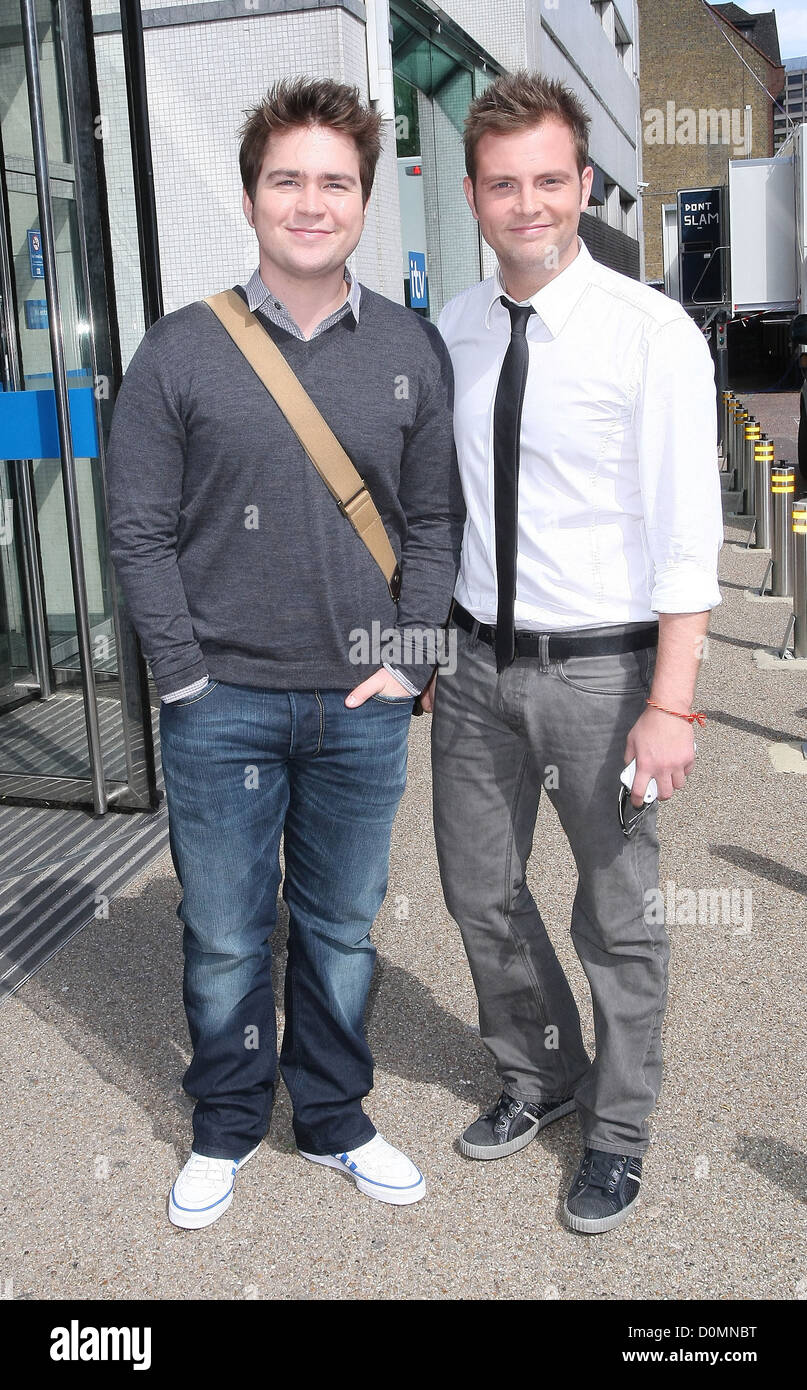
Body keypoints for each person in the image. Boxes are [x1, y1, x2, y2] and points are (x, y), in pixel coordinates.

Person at [106, 77, 463, 1228]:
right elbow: (140, 530)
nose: (311, 202)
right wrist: (187, 677)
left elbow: (438, 523)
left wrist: (410, 662)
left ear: (364, 201)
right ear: (254, 196)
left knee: (343, 924)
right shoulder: (180, 351)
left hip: (363, 701)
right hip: (223, 704)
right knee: (220, 932)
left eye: (336, 183)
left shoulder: (408, 344)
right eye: (287, 180)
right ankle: (222, 1124)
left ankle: (334, 1113)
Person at [425, 71, 723, 1234]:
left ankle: (620, 1131)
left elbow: (689, 539)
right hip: (476, 668)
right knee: (477, 891)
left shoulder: (649, 332)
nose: (530, 204)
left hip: (606, 674)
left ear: (584, 185)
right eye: (506, 184)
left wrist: (675, 704)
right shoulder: (450, 326)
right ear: (473, 194)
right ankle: (545, 1072)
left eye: (551, 180)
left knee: (619, 913)